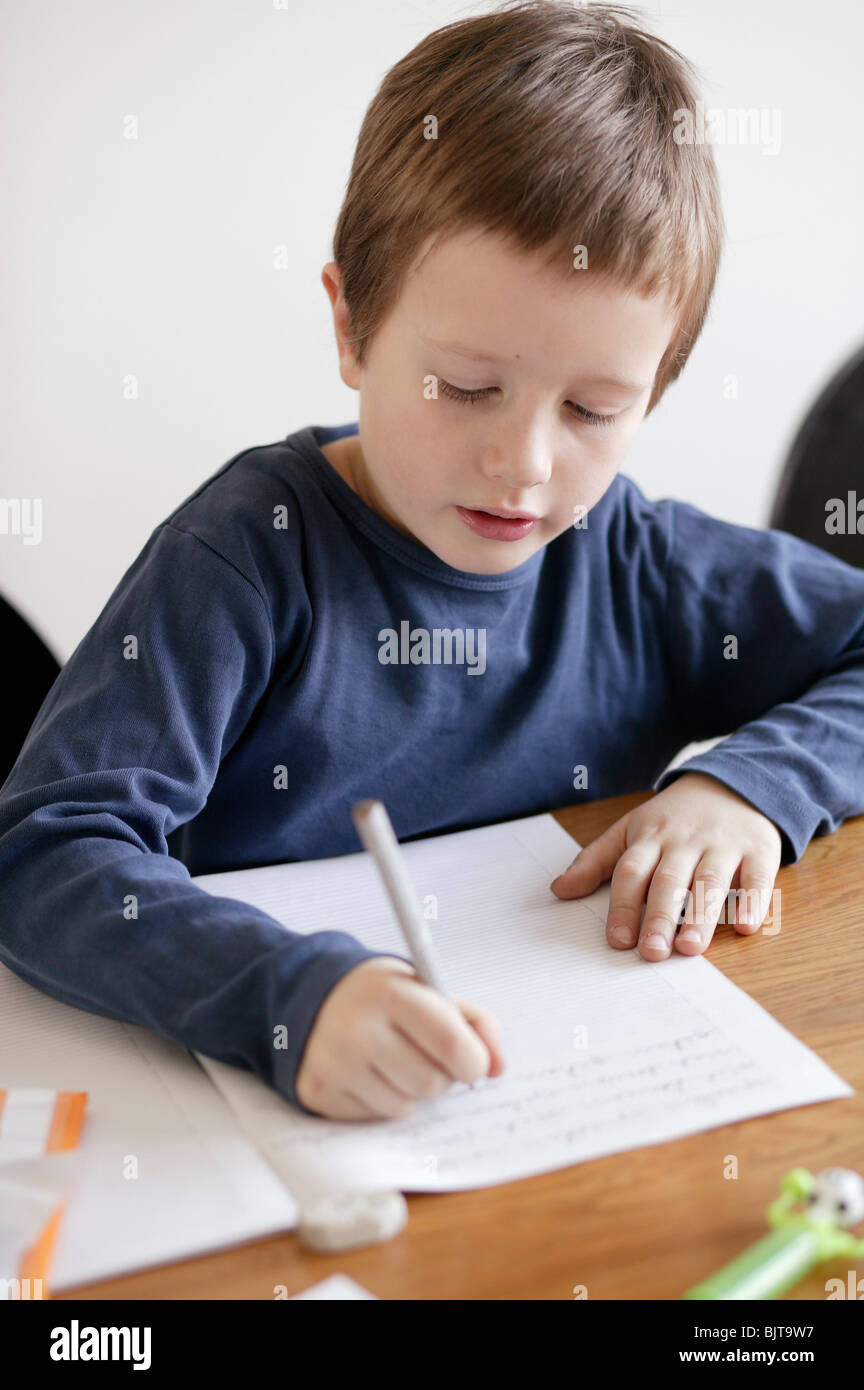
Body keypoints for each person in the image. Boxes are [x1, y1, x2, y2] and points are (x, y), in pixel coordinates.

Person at [1, 2, 862, 1121]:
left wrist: (748, 787)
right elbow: (45, 853)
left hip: (579, 1112)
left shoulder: (633, 556)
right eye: (464, 388)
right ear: (352, 327)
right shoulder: (248, 554)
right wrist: (287, 995)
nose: (525, 463)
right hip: (254, 1127)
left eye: (597, 408)